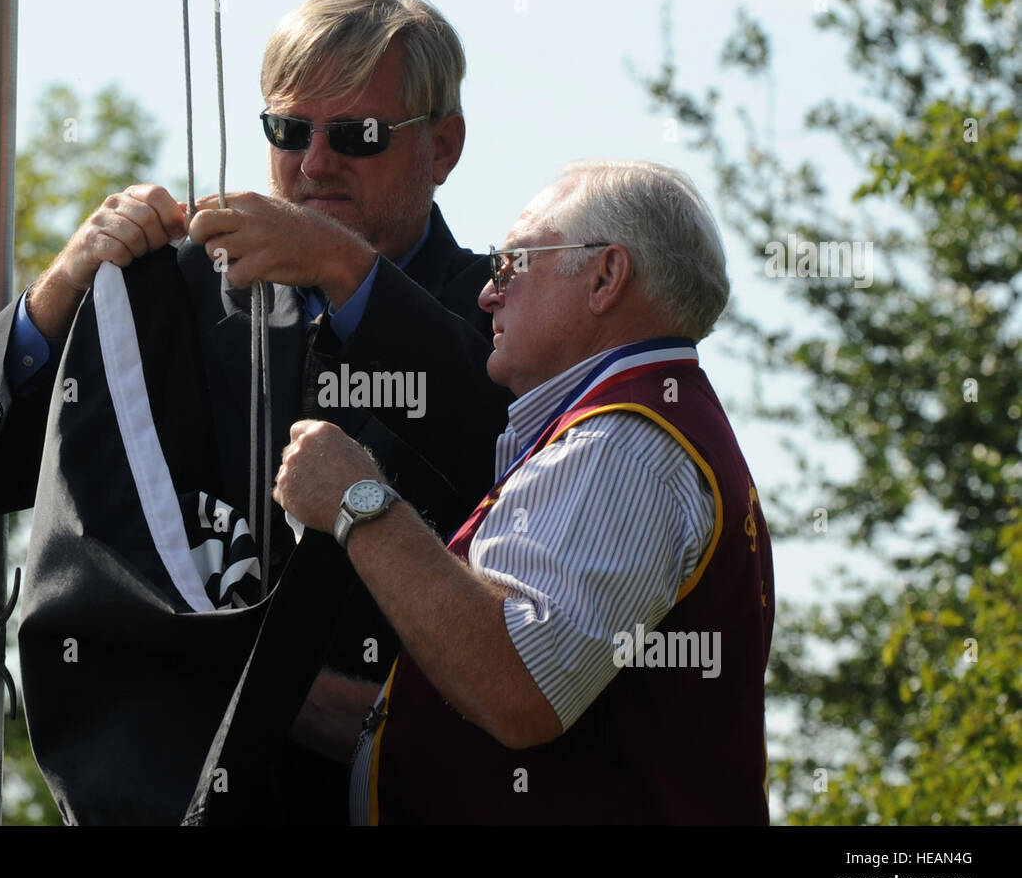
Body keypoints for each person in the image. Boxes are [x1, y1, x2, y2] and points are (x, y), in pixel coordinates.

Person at [0, 0, 511, 822]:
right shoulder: (183, 295)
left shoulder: (500, 306)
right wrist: (63, 289)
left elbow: (507, 437)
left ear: (442, 146)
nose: (314, 164)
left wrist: (350, 276)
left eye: (357, 137)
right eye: (287, 131)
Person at [274, 160, 776, 824]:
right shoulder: (637, 428)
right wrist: (272, 694)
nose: (487, 294)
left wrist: (357, 499)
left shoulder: (623, 443)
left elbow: (519, 687)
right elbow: (478, 721)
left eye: (511, 264)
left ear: (605, 277)